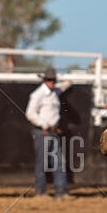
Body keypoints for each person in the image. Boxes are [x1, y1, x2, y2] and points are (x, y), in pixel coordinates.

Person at [26, 66, 69, 199]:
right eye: (49, 80)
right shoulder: (37, 95)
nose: (51, 82)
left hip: (53, 131)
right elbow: (30, 113)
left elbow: (62, 87)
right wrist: (43, 124)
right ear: (44, 80)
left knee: (58, 161)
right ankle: (41, 192)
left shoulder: (55, 91)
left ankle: (61, 191)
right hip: (42, 132)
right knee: (42, 162)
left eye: (53, 80)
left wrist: (68, 83)